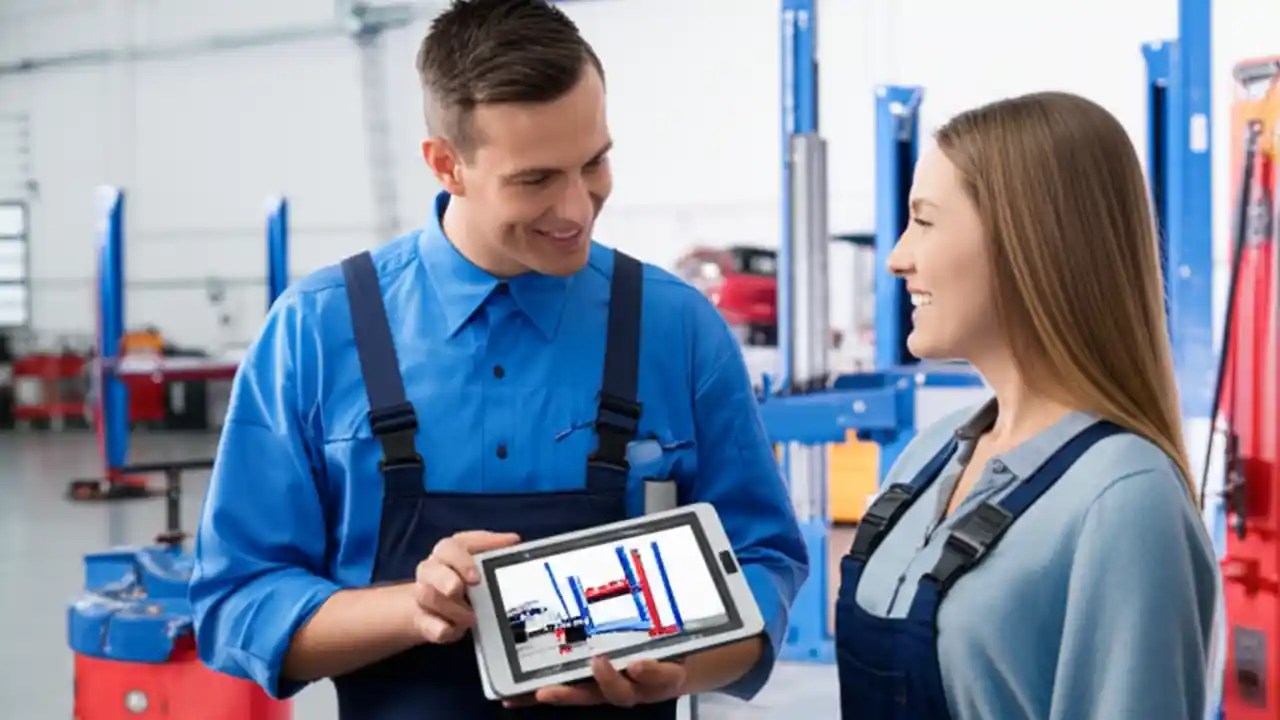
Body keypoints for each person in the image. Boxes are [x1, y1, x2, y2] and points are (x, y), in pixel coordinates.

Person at [188, 1, 808, 718]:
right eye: (536, 179)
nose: (578, 206)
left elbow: (764, 561)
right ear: (446, 164)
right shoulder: (317, 332)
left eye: (595, 161)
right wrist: (413, 609)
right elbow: (238, 599)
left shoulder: (677, 329)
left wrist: (679, 669)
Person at [833, 91, 1220, 720]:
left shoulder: (1123, 497)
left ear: (1026, 239)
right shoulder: (928, 457)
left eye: (924, 222)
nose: (897, 258)